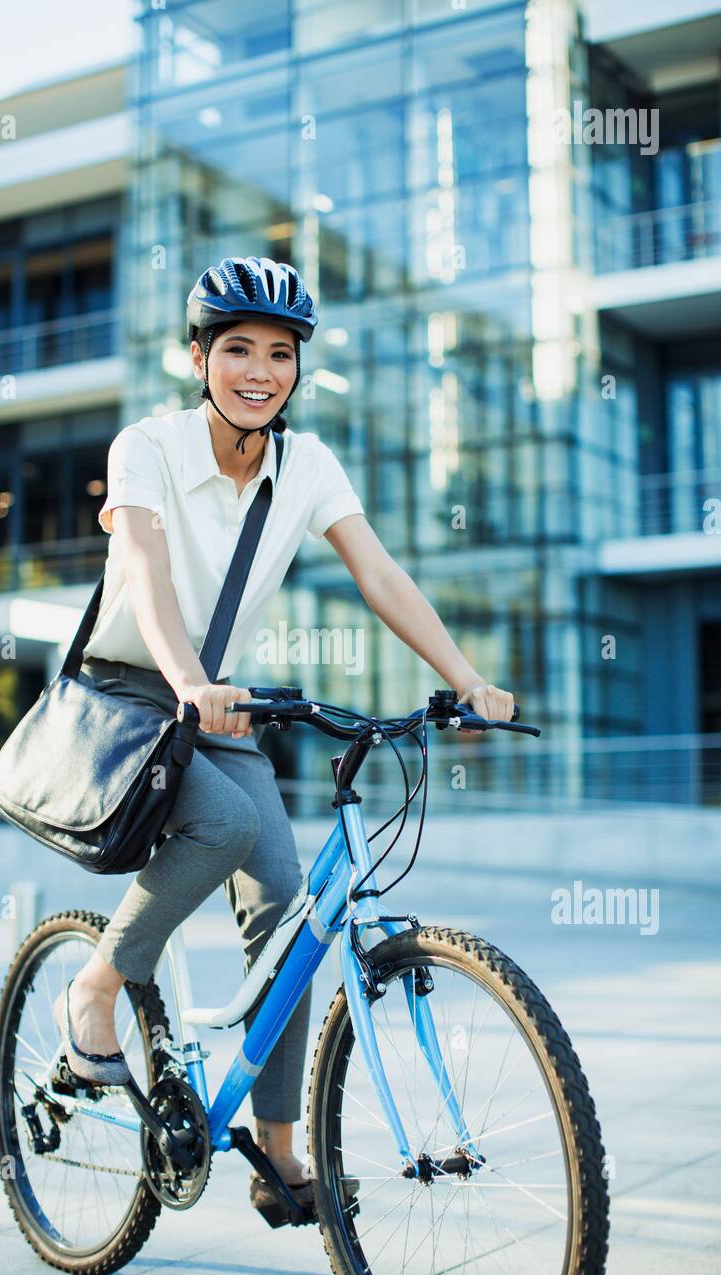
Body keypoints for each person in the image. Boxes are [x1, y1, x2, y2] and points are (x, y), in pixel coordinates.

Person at [52, 255, 514, 1226]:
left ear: (297, 369)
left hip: (223, 704)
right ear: (197, 357)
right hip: (136, 692)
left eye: (277, 353)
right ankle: (94, 988)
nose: (257, 371)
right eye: (235, 350)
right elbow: (140, 564)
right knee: (216, 829)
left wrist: (462, 676)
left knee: (295, 923)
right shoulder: (149, 445)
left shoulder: (306, 465)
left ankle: (278, 1154)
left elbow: (379, 573)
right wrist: (184, 680)